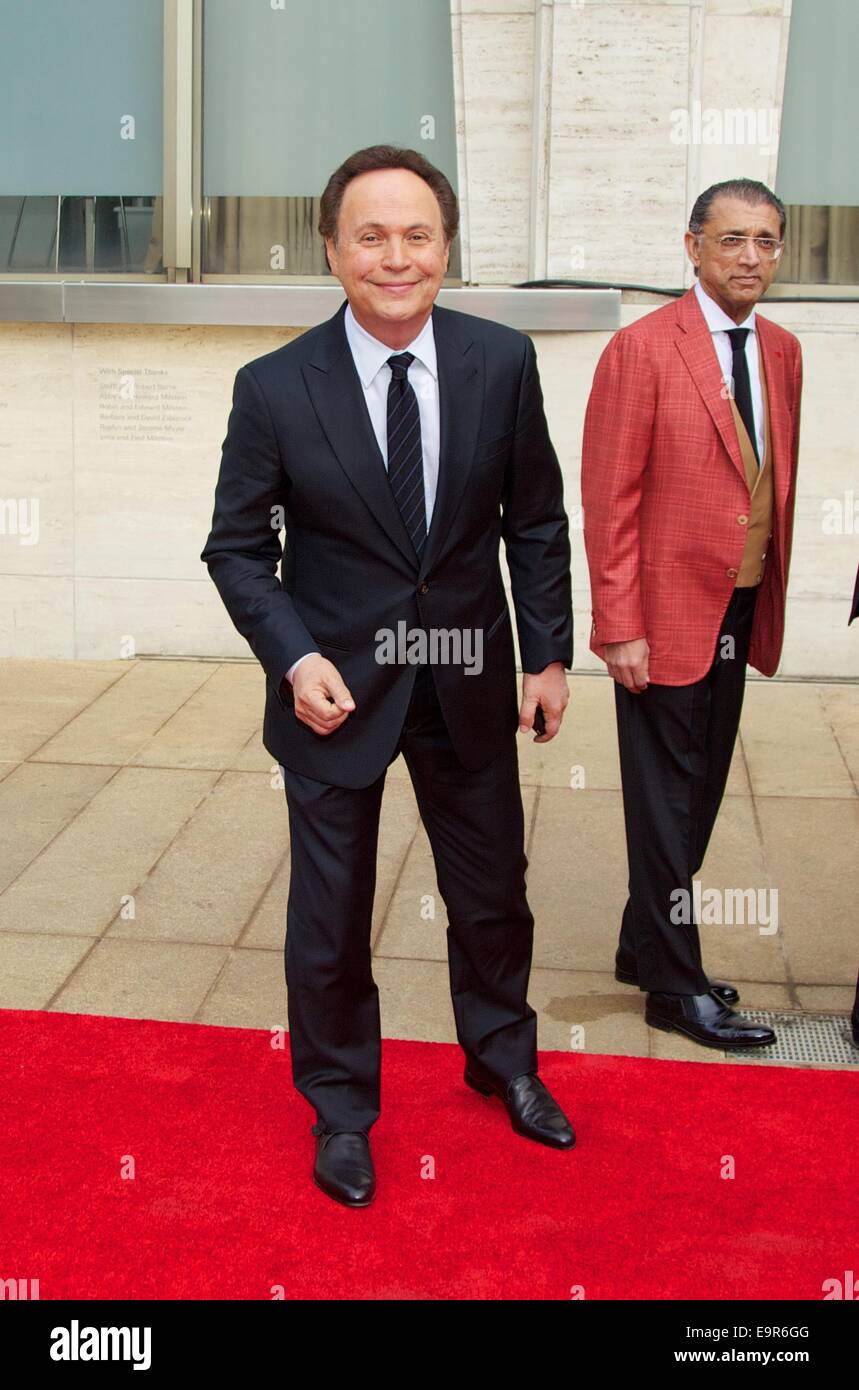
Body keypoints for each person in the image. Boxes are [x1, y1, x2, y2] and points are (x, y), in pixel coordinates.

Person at [202, 146, 575, 1206]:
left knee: (492, 893)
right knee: (329, 916)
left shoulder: (500, 363)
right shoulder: (273, 387)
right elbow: (236, 548)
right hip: (335, 689)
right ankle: (341, 1106)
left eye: (417, 234)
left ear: (447, 249)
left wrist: (546, 652)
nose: (395, 256)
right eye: (371, 235)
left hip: (464, 673)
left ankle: (502, 1058)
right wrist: (294, 654)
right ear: (331, 249)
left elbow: (535, 520)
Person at [582, 178, 803, 1051]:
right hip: (662, 615)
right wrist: (618, 622)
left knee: (700, 792)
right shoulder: (642, 350)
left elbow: (769, 485)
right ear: (692, 248)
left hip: (738, 605)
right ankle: (674, 988)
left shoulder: (781, 351)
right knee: (665, 805)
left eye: (766, 242)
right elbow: (608, 499)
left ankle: (645, 945)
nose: (750, 257)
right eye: (731, 241)